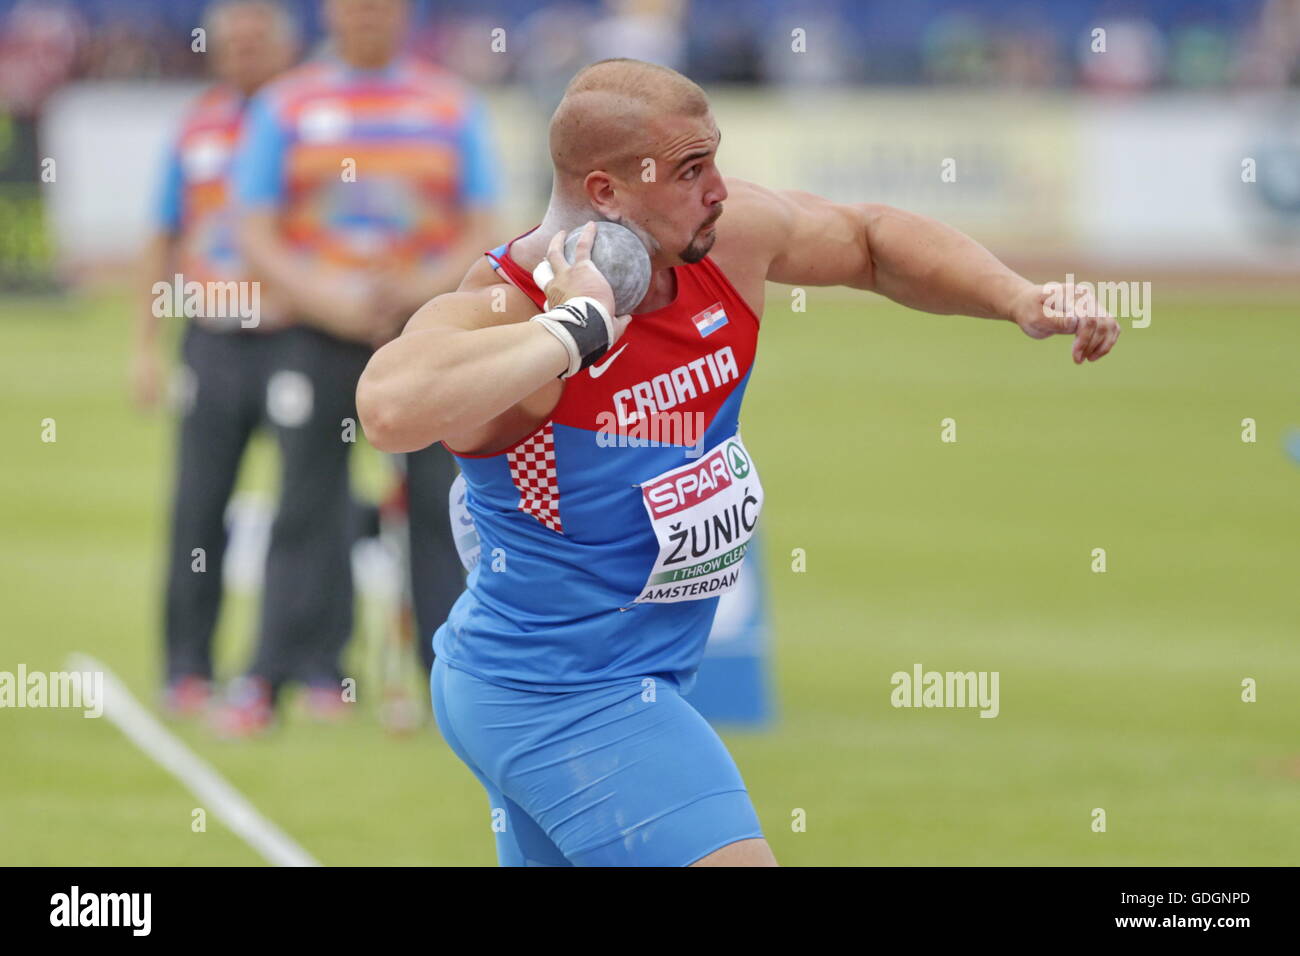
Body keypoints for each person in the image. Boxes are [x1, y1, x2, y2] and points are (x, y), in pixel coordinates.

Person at [356, 58, 1120, 867]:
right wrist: (575, 328)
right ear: (607, 192)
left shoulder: (724, 245)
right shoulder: (512, 305)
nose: (719, 187)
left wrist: (1018, 298)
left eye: (714, 156)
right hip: (558, 692)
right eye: (691, 170)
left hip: (611, 675)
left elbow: (869, 242)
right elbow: (387, 407)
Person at [215, 0, 497, 735]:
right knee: (305, 499)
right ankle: (281, 671)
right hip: (316, 333)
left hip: (427, 330)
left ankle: (451, 677)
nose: (367, 15)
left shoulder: (447, 103)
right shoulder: (288, 103)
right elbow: (253, 225)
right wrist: (328, 298)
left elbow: (483, 221)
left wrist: (414, 289)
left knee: (445, 503)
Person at [132, 0, 297, 718]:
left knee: (308, 507)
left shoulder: (309, 121)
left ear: (284, 45)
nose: (244, 52)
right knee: (198, 505)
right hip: (212, 334)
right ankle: (186, 665)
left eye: (258, 40)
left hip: (297, 331)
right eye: (232, 42)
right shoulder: (196, 125)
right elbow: (163, 235)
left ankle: (299, 666)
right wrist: (144, 346)